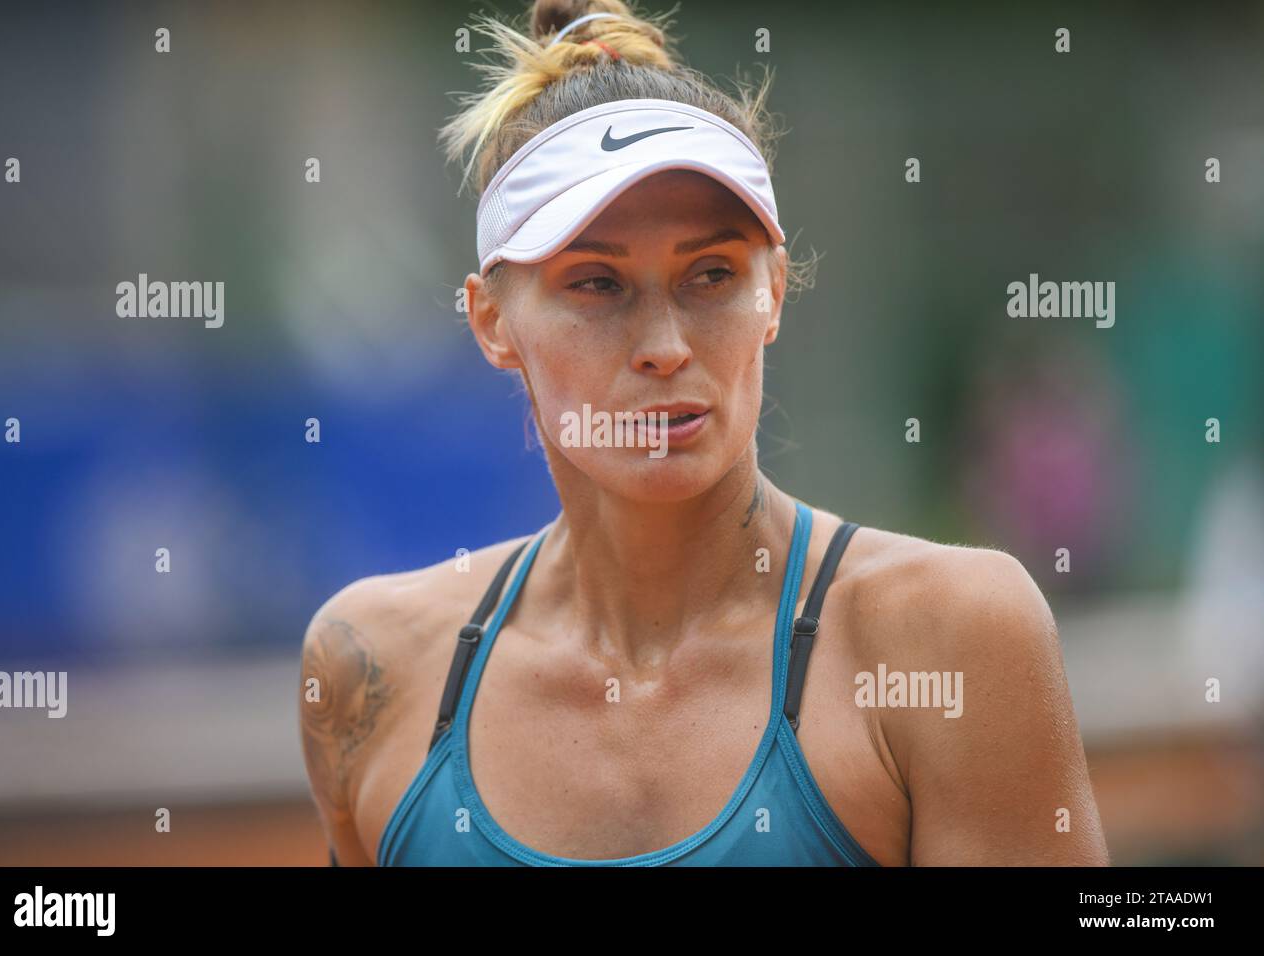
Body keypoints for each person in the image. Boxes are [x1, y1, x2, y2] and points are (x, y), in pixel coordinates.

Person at [299, 0, 1109, 866]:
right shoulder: (368, 668)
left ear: (775, 293)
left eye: (713, 274)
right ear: (491, 320)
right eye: (596, 284)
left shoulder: (954, 635)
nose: (666, 347)